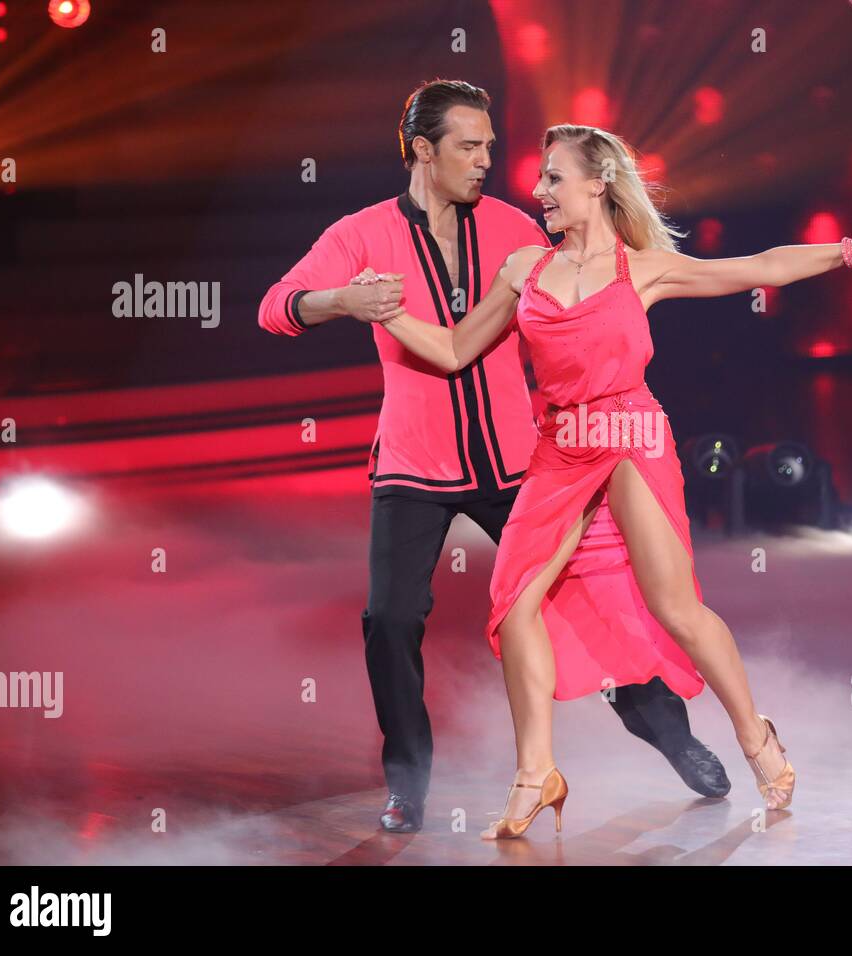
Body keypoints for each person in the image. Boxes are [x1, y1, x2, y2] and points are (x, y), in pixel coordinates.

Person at [364, 123, 852, 838]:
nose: (539, 191)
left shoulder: (645, 269)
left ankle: (754, 735)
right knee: (513, 604)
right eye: (541, 179)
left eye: (553, 177)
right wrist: (384, 312)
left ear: (597, 183)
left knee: (675, 607)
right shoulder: (524, 270)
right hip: (561, 450)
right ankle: (536, 773)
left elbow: (762, 266)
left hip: (632, 439)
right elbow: (454, 349)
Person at [257, 81, 731, 835]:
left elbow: (587, 291)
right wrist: (340, 301)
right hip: (413, 464)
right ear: (423, 149)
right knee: (390, 619)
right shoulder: (361, 233)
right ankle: (407, 785)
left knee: (587, 604)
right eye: (469, 147)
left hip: (522, 462)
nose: (487, 161)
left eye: (488, 146)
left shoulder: (516, 227)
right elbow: (277, 305)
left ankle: (673, 735)